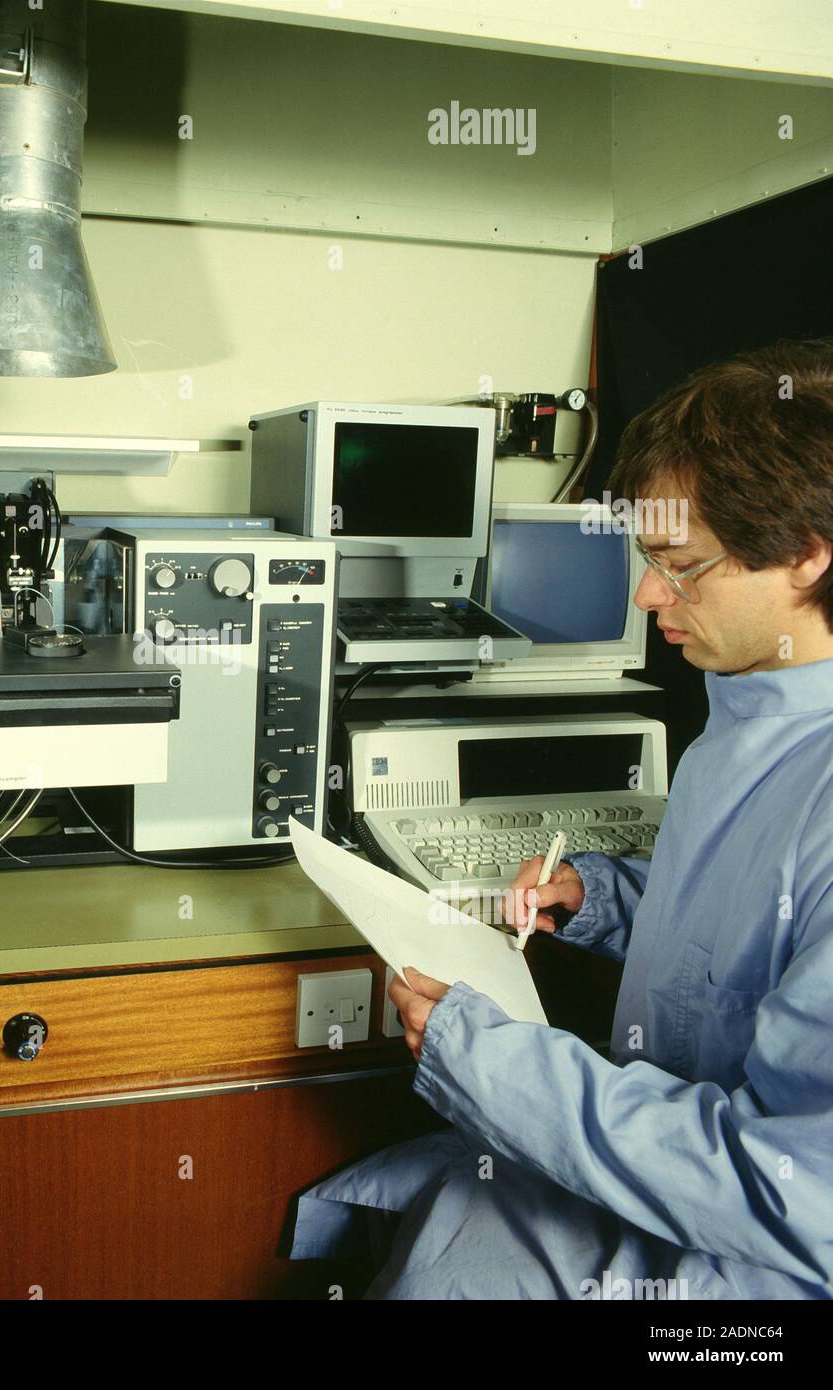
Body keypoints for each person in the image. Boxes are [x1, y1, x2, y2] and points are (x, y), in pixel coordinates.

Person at [290, 340, 833, 1298]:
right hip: (659, 1186)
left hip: (749, 1280)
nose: (647, 595)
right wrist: (606, 899)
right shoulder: (752, 707)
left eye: (679, 565)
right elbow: (745, 934)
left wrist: (488, 1063)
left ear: (805, 554)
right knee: (447, 1214)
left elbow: (790, 1194)